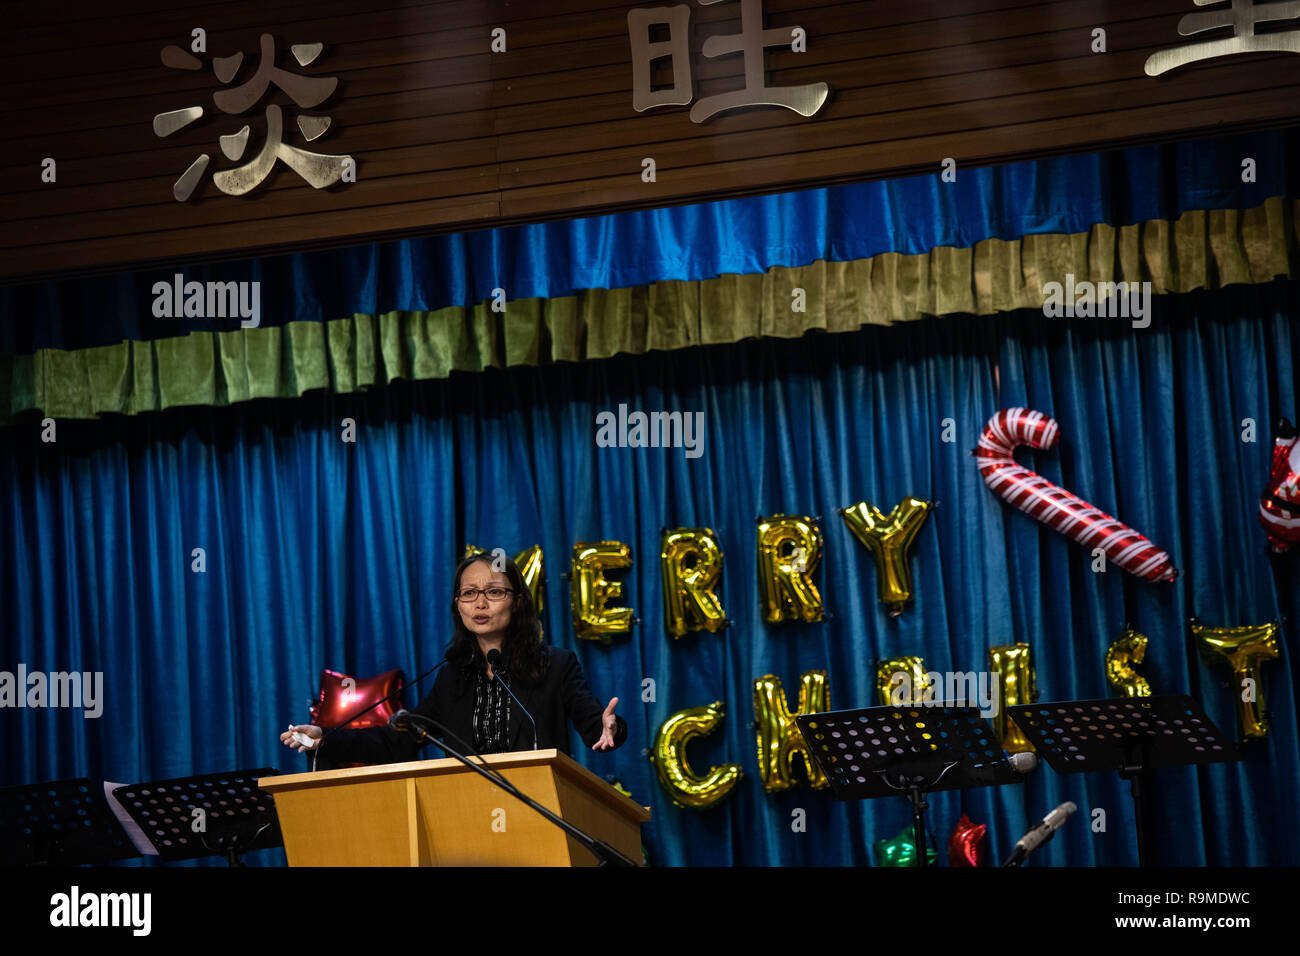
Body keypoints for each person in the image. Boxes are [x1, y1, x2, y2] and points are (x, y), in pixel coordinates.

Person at [279, 551, 626, 764]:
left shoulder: (556, 665)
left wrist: (610, 727)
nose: (479, 603)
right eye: (469, 593)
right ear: (457, 604)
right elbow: (398, 741)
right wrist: (326, 737)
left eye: (493, 592)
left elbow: (594, 726)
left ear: (518, 601)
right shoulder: (453, 676)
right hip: (467, 813)